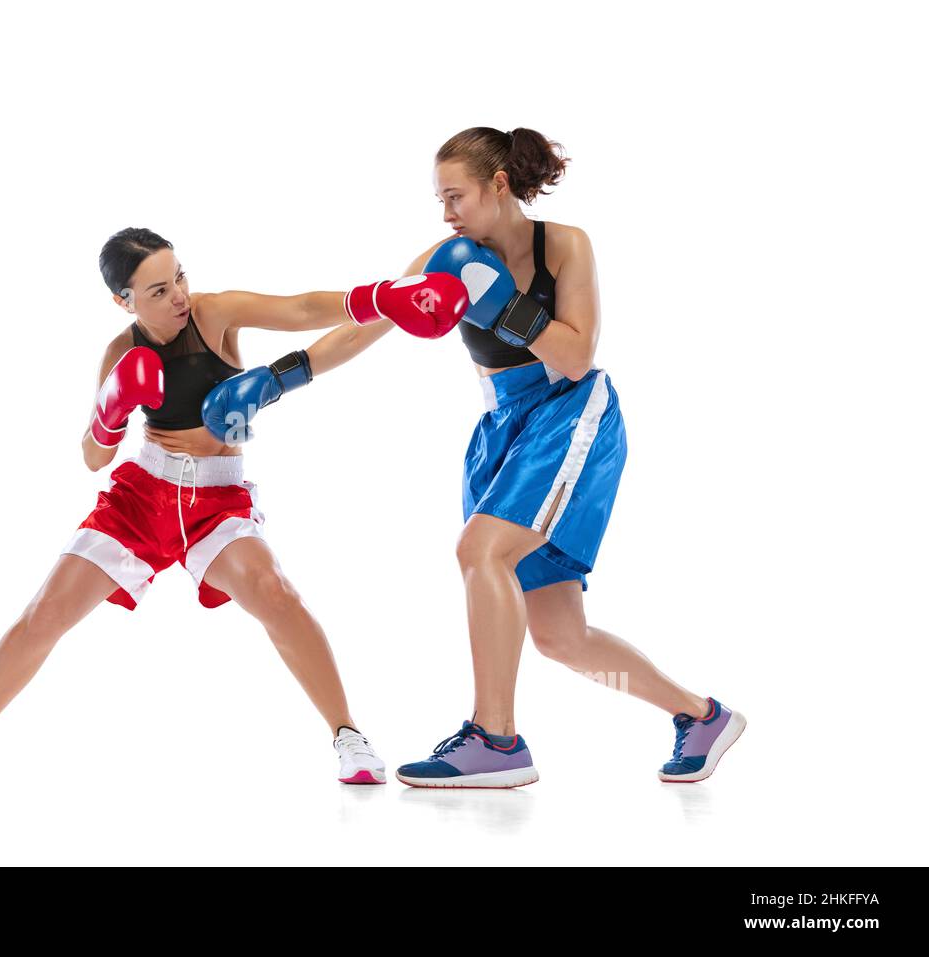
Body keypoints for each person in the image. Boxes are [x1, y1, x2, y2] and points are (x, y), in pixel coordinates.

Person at [204, 128, 746, 787]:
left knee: (479, 552)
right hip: (501, 424)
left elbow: (575, 355)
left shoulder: (566, 246)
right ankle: (702, 715)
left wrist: (504, 307)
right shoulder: (445, 256)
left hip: (570, 413)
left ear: (498, 186)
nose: (446, 213)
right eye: (439, 199)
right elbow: (369, 324)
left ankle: (497, 740)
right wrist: (279, 377)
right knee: (559, 636)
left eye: (455, 196)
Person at [0, 227, 462, 785]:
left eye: (179, 277)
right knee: (47, 611)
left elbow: (300, 308)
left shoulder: (212, 314)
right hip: (142, 496)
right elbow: (93, 457)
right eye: (156, 291)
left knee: (277, 595)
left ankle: (349, 736)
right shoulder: (121, 351)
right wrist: (111, 410)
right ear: (122, 301)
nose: (177, 296)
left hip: (215, 500)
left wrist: (377, 298)